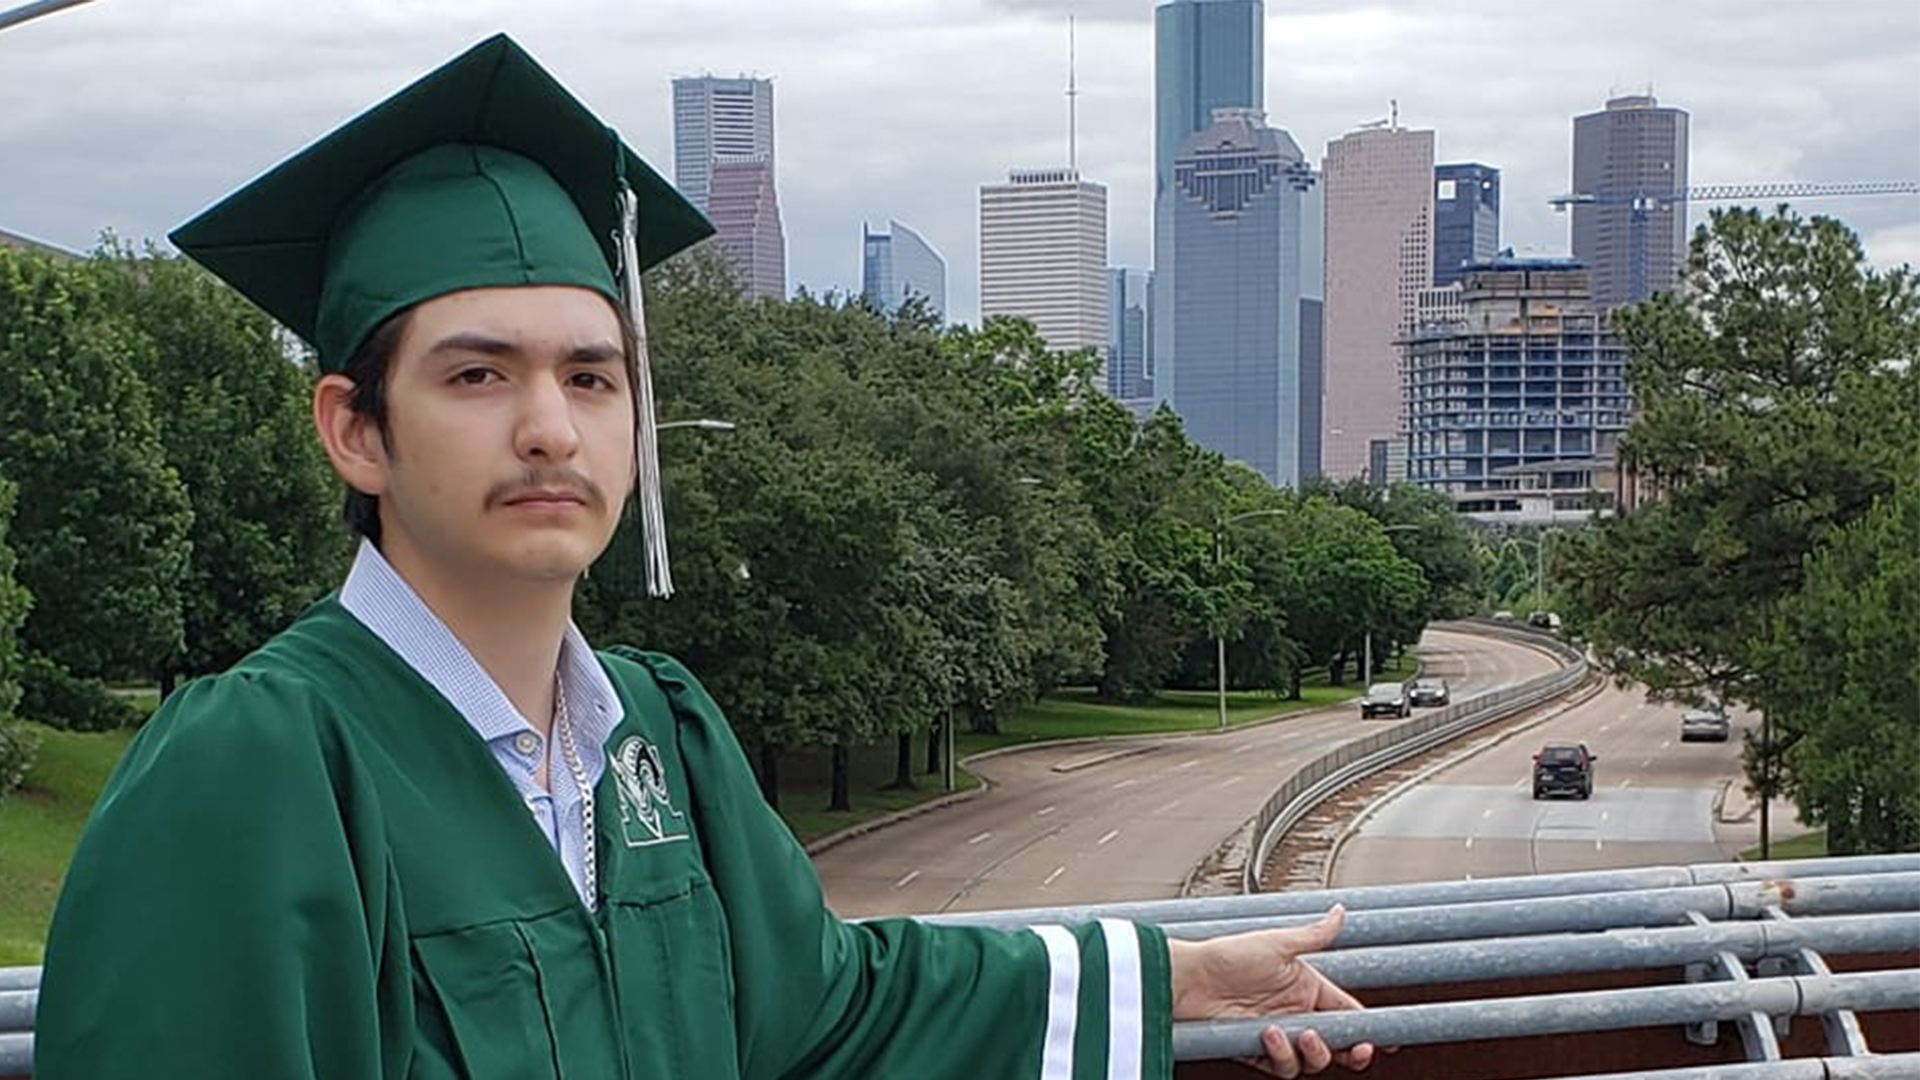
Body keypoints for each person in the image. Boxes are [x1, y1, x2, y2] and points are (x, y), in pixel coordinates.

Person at [33, 34, 1376, 1080]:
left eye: (594, 376)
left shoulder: (656, 739)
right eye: (478, 374)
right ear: (356, 432)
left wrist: (1174, 980)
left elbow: (829, 1010)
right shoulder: (258, 769)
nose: (551, 427)